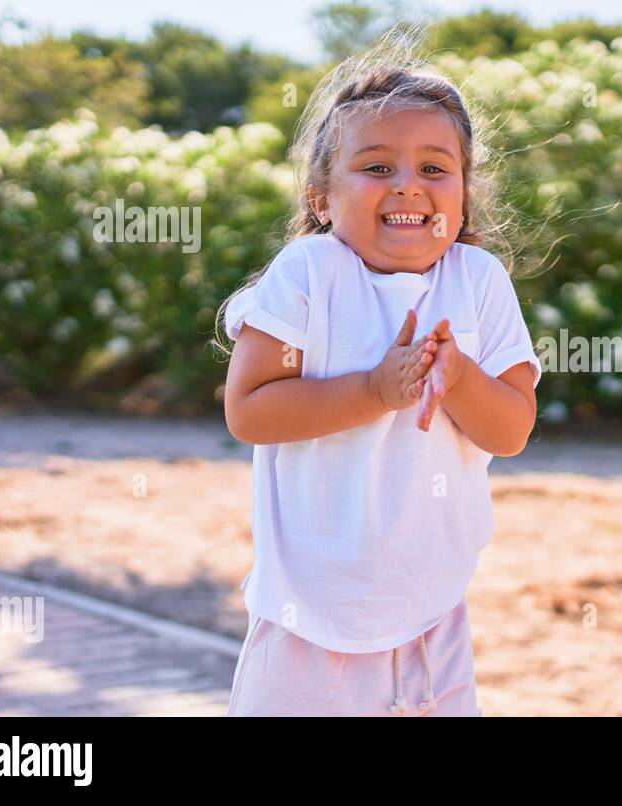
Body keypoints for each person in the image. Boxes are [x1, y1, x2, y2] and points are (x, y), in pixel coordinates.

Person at [213, 39, 540, 716]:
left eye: (433, 167)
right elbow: (249, 409)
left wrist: (461, 377)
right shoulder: (309, 272)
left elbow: (512, 429)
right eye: (377, 166)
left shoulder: (477, 281)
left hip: (432, 619)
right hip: (307, 616)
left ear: (465, 195)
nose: (407, 184)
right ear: (322, 198)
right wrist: (374, 390)